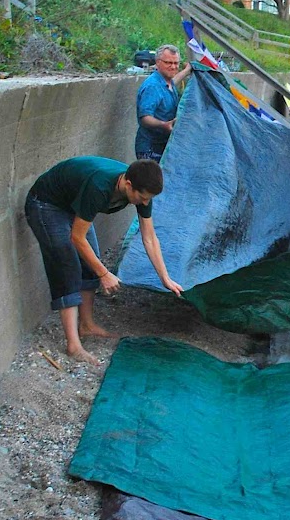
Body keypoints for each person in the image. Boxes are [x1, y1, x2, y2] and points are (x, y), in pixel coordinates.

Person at [25, 156, 183, 365]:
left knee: (91, 263)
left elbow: (149, 237)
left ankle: (87, 325)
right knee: (67, 266)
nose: (145, 203)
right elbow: (77, 238)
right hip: (47, 205)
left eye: (148, 199)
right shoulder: (99, 187)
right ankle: (73, 345)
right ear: (128, 184)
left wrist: (165, 278)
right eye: (142, 197)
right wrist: (104, 273)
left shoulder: (143, 187)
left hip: (73, 205)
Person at [135, 45, 191, 161]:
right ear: (157, 62)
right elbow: (145, 117)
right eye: (168, 63)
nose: (173, 67)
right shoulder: (152, 86)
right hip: (150, 150)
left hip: (163, 147)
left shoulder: (167, 82)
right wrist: (164, 125)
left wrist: (186, 71)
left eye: (176, 63)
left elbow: (172, 83)